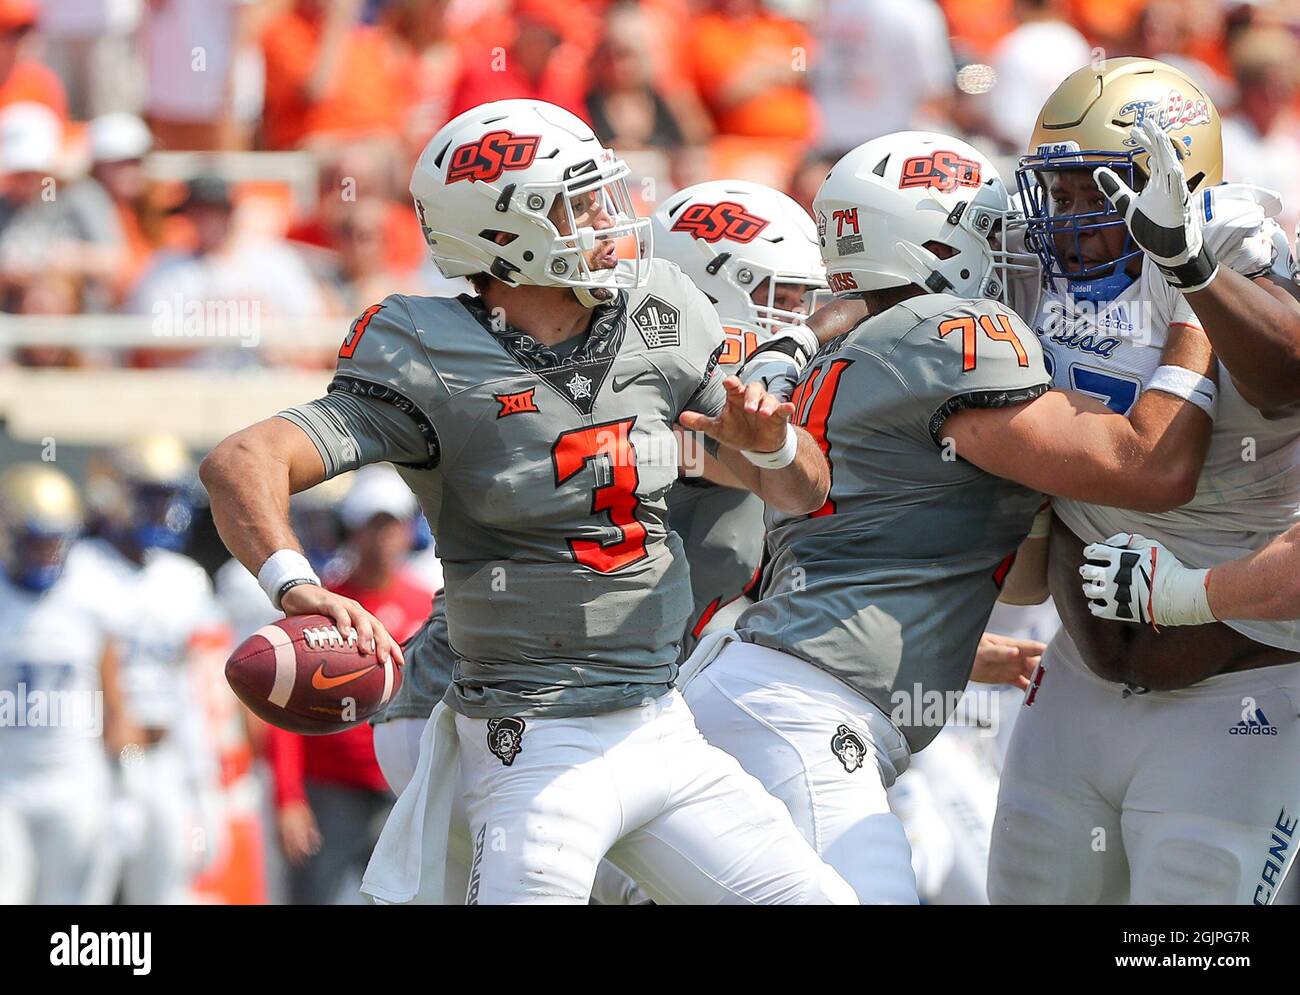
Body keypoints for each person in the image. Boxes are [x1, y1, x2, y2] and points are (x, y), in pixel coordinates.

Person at [201, 98, 855, 905]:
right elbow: (243, 459)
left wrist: (774, 445)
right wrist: (297, 585)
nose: (609, 218)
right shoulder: (429, 351)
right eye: (578, 203)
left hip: (660, 725)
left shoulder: (659, 309)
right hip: (532, 738)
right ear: (503, 236)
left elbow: (805, 488)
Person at [678, 128, 1217, 904]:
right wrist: (1195, 312)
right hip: (802, 711)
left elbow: (1023, 580)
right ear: (938, 245)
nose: (1019, 249)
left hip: (771, 695)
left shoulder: (863, 341)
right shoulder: (949, 332)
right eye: (993, 230)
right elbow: (1151, 465)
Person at [985, 57, 1300, 905]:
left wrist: (1193, 266)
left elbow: (1288, 373)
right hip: (1078, 681)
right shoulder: (1029, 263)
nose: (1075, 219)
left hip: (1239, 699)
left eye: (1099, 191)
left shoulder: (1236, 249)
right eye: (1061, 194)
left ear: (1175, 178)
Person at [652, 179, 826, 650]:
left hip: (633, 677)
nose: (798, 319)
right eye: (781, 298)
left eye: (803, 301)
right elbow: (752, 472)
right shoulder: (644, 378)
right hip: (504, 680)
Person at [68, 433, 228, 904]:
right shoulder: (79, 572)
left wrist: (206, 786)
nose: (161, 510)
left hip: (163, 759)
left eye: (167, 496)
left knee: (164, 892)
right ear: (114, 492)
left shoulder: (184, 580)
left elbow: (195, 692)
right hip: (92, 761)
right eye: (148, 495)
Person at [269, 466, 430, 905]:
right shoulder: (320, 606)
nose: (382, 539)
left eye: (391, 525)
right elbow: (284, 711)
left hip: (405, 790)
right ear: (352, 530)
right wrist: (288, 797)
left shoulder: (429, 604)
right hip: (330, 791)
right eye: (372, 526)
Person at [0, 464, 126, 903]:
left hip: (74, 780)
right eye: (35, 540)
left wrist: (126, 782)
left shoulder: (87, 595)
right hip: (6, 786)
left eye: (54, 541)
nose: (46, 553)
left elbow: (114, 704)